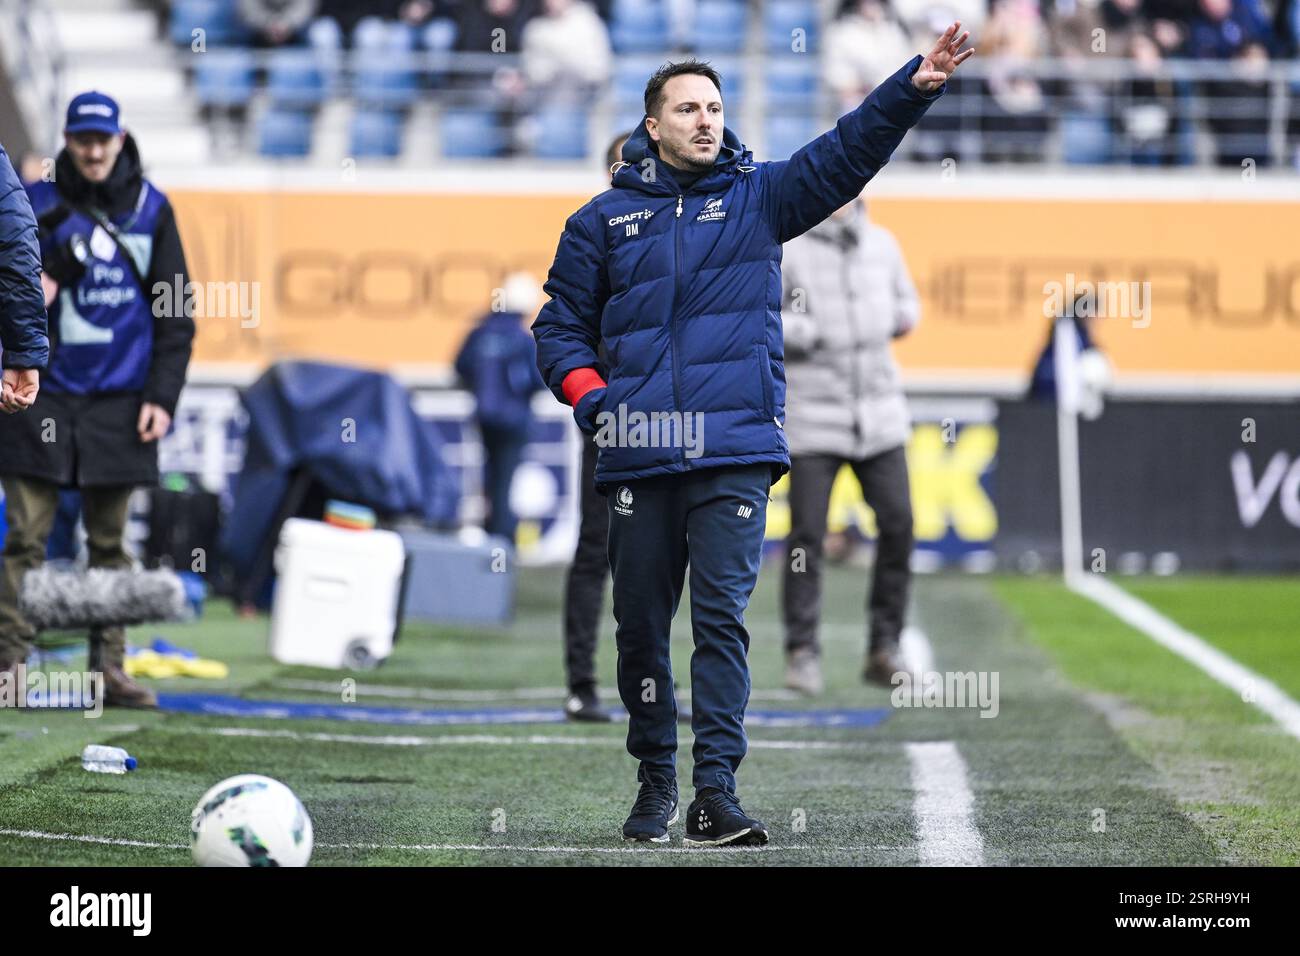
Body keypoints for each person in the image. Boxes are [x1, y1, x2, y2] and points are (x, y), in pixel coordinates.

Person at [532, 25, 972, 846]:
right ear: (651, 126)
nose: (705, 120)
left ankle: (714, 792)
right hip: (638, 451)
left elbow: (846, 153)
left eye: (714, 106)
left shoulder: (761, 196)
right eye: (687, 109)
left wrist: (914, 85)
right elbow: (557, 330)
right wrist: (595, 403)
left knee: (722, 624)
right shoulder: (599, 221)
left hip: (736, 451)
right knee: (638, 631)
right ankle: (655, 777)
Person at [0, 92, 196, 708]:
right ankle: (11, 665)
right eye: (80, 138)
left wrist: (162, 394)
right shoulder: (35, 201)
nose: (90, 150)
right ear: (65, 138)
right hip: (42, 393)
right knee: (25, 538)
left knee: (109, 543)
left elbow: (175, 311)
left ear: (120, 138)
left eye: (100, 139)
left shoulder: (153, 208)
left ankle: (107, 669)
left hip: (120, 400)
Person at [779, 198, 919, 696]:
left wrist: (895, 319)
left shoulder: (882, 244)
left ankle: (884, 647)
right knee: (807, 538)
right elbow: (766, 318)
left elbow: (910, 305)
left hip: (880, 416)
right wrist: (806, 331)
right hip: (814, 417)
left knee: (900, 525)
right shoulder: (789, 249)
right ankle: (802, 651)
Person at [558, 132, 626, 724]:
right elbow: (562, 329)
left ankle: (654, 688)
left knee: (669, 557)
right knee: (595, 548)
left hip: (676, 418)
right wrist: (595, 401)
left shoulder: (685, 230)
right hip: (612, 421)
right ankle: (582, 684)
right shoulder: (591, 233)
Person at [454, 272, 546, 544]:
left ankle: (489, 535)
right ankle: (502, 540)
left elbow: (461, 366)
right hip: (514, 421)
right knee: (504, 479)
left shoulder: (480, 332)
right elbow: (539, 379)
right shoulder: (521, 339)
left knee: (490, 476)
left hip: (484, 418)